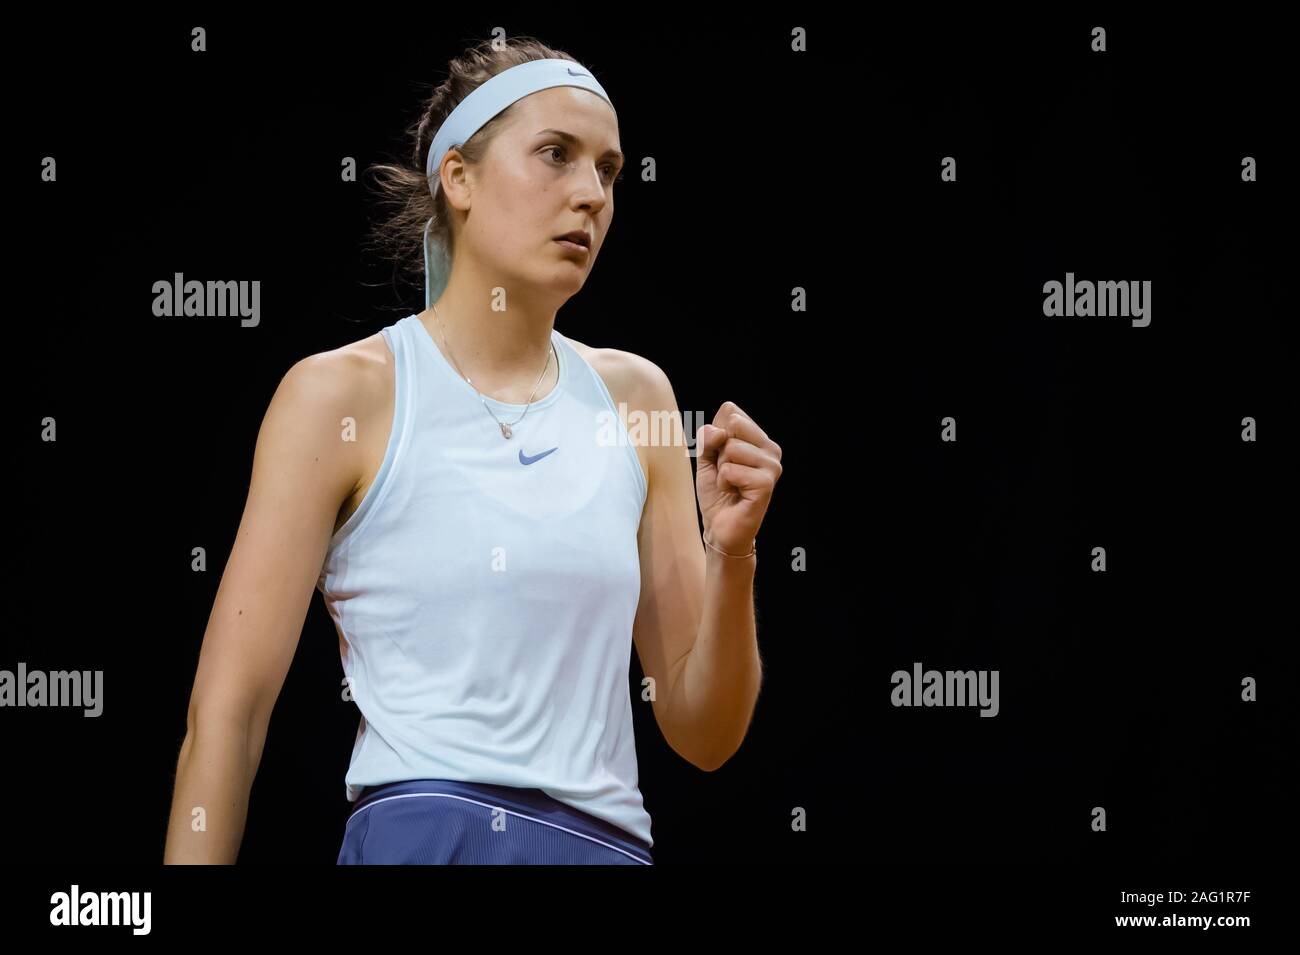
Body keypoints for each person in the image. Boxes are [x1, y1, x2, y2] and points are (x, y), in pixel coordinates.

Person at [164, 36, 782, 865]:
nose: (591, 194)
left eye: (608, 170)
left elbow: (705, 733)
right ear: (457, 178)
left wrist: (732, 554)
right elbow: (228, 716)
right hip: (426, 836)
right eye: (556, 154)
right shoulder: (338, 396)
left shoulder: (639, 400)